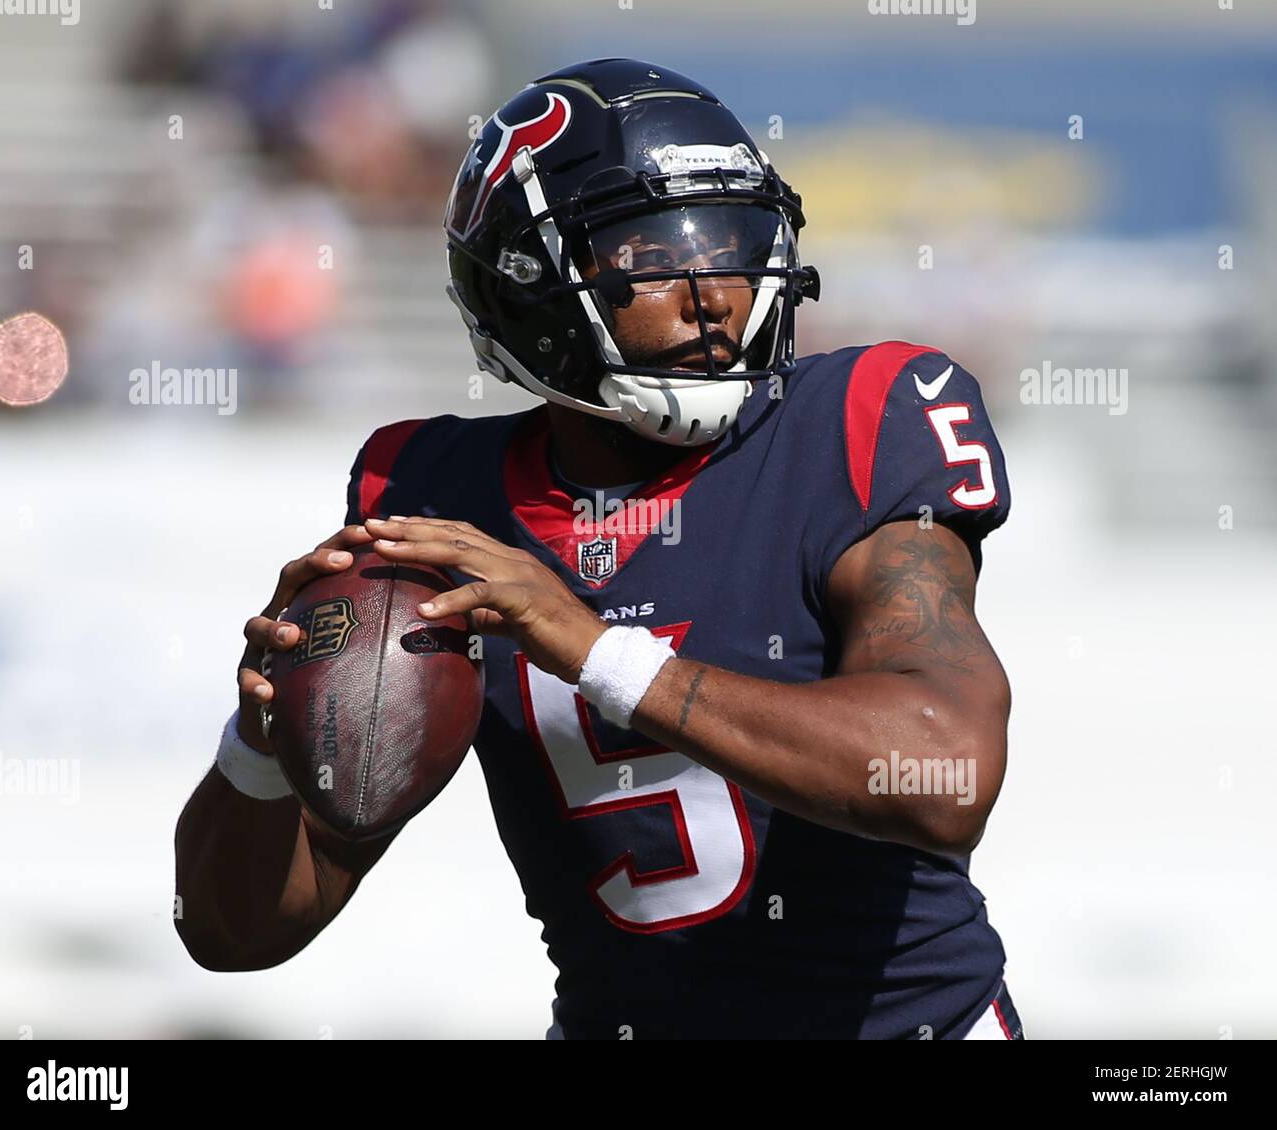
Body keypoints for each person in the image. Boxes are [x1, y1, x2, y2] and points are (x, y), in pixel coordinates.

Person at [175, 58, 1025, 1040]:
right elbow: (230, 934)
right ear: (525, 284)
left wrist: (594, 650)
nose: (713, 293)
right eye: (652, 255)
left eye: (732, 244)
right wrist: (263, 744)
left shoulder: (859, 420)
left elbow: (945, 772)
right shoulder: (426, 495)